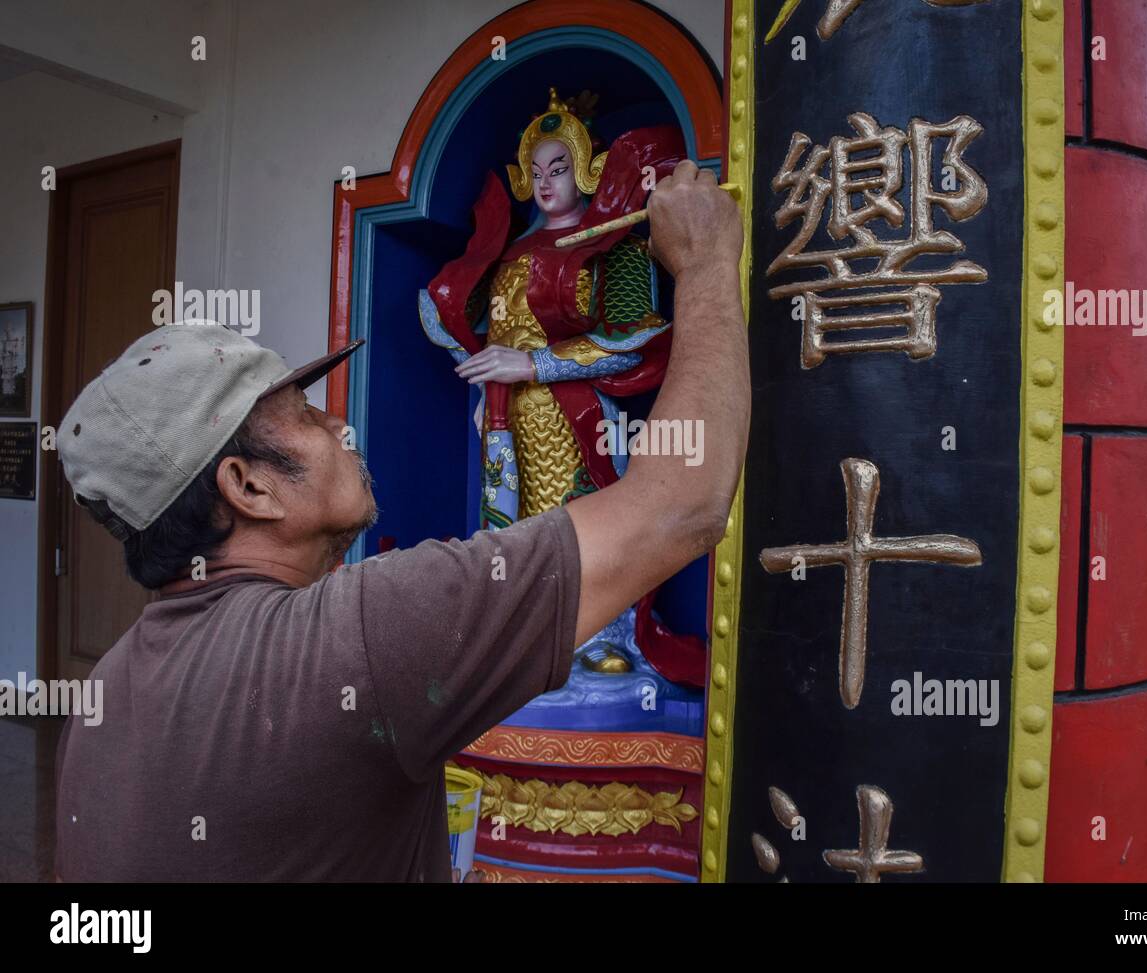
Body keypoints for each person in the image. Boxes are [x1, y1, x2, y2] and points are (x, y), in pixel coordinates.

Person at [53, 160, 748, 881]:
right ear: (248, 485)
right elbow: (681, 502)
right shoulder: (360, 636)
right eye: (304, 413)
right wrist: (702, 261)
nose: (337, 423)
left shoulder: (102, 695)